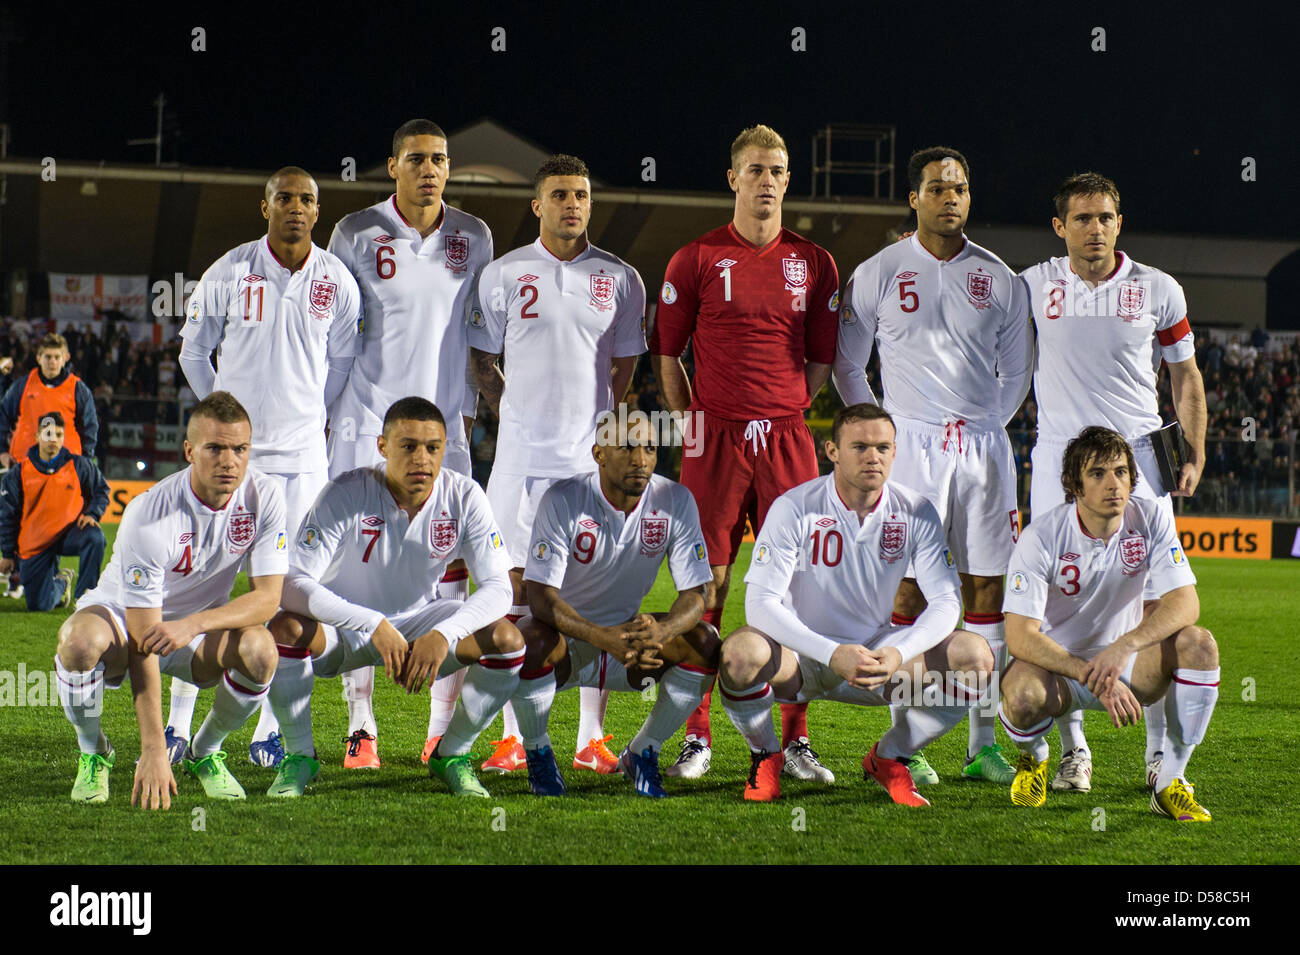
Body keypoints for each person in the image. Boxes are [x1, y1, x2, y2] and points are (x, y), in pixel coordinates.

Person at [832, 146, 1033, 786]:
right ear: (913, 198)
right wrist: (879, 432)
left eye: (962, 188)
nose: (951, 197)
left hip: (982, 443)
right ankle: (905, 740)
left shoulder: (1000, 277)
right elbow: (846, 362)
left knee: (986, 589)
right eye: (938, 188)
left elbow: (1019, 371)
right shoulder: (881, 270)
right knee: (910, 589)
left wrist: (981, 426)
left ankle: (981, 745)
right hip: (909, 444)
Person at [650, 124, 839, 782]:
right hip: (715, 436)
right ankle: (695, 735)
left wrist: (782, 408)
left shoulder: (814, 263)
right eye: (755, 169)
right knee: (708, 587)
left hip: (787, 436)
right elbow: (667, 353)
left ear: (789, 181)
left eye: (777, 170)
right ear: (733, 178)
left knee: (800, 590)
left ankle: (795, 740)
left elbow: (820, 359)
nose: (766, 180)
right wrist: (693, 423)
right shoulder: (695, 258)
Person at [1022, 172, 1207, 793]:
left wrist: (1194, 447)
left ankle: (1158, 751)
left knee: (1157, 606)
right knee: (1051, 608)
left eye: (1105, 217)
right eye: (1081, 219)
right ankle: (1073, 747)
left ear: (1119, 222)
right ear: (1060, 227)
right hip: (1059, 469)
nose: (1094, 229)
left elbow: (1186, 376)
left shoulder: (1158, 289)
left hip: (1140, 467)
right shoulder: (1034, 285)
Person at [176, 165, 362, 769]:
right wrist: (224, 424)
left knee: (286, 602)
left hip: (305, 460)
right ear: (266, 208)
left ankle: (265, 734)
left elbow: (339, 368)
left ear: (318, 210)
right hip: (236, 463)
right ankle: (179, 726)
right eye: (285, 198)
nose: (297, 208)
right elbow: (193, 350)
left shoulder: (336, 278)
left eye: (308, 200)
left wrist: (310, 416)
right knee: (201, 585)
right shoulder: (228, 271)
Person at [470, 154, 648, 776]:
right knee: (514, 595)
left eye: (582, 194)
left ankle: (591, 738)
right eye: (560, 195)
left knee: (592, 597)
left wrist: (598, 420)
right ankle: (514, 737)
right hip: (519, 465)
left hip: (586, 467)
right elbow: (481, 360)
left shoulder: (622, 278)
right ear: (536, 205)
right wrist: (512, 411)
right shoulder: (501, 273)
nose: (573, 204)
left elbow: (625, 366)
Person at [717, 403, 991, 803]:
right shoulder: (795, 507)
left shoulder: (915, 511)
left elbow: (947, 603)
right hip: (799, 660)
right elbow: (760, 604)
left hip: (877, 659)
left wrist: (898, 652)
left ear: (895, 453)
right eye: (859, 446)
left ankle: (891, 756)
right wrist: (831, 653)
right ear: (832, 451)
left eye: (882, 447)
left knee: (977, 659)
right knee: (740, 653)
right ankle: (766, 755)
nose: (872, 457)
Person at [326, 119, 493, 770]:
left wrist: (492, 411)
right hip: (366, 430)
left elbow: (480, 341)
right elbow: (332, 332)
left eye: (441, 160)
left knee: (451, 577)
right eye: (417, 159)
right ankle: (361, 726)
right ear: (391, 166)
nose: (430, 169)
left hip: (444, 435)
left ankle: (440, 729)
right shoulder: (355, 233)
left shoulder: (472, 237)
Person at [264, 397, 523, 798]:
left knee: (506, 642)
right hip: (345, 628)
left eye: (433, 447)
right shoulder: (347, 491)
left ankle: (451, 754)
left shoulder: (464, 496)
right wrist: (370, 623)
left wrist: (443, 634)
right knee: (284, 629)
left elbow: (499, 588)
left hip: (420, 623)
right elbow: (292, 583)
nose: (422, 458)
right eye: (408, 446)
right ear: (383, 446)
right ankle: (300, 756)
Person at [53, 392, 287, 806]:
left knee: (261, 652)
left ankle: (205, 750)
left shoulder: (264, 497)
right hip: (124, 621)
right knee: (78, 641)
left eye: (240, 449)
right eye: (215, 448)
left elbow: (268, 599)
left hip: (191, 631)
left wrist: (194, 624)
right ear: (189, 451)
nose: (229, 460)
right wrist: (153, 748)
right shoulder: (150, 512)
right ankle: (94, 751)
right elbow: (146, 639)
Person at [1001, 427, 1216, 821]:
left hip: (1128, 668)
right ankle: (1035, 758)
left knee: (1199, 645)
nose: (1113, 484)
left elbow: (1185, 602)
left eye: (1121, 472)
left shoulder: (1148, 517)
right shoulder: (1041, 537)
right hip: (1061, 671)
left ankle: (1171, 780)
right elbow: (1018, 636)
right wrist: (1089, 672)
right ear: (1074, 485)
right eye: (1097, 473)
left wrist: (1122, 648)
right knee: (1020, 696)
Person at [510, 409, 716, 797]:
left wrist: (663, 632)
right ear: (598, 454)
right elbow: (539, 596)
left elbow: (697, 592)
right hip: (565, 644)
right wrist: (602, 637)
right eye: (627, 447)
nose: (641, 460)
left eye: (651, 448)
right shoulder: (564, 497)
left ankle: (643, 751)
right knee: (527, 642)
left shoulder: (674, 499)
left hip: (632, 648)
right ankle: (538, 751)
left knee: (704, 643)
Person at [1, 333, 99, 600]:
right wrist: (2, 449)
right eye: (48, 357)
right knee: (20, 523)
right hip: (24, 466)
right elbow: (3, 414)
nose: (53, 361)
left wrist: (86, 461)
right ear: (38, 358)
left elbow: (89, 426)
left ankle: (59, 583)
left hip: (64, 469)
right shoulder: (23, 386)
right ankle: (18, 577)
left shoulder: (77, 388)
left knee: (56, 523)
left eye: (57, 357)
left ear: (65, 358)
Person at [0, 412, 108, 611]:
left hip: (69, 534)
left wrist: (93, 513)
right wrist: (7, 554)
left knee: (95, 537)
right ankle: (62, 583)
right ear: (37, 436)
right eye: (48, 434)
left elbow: (101, 491)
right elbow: (7, 516)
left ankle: (86, 598)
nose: (53, 439)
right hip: (35, 543)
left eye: (58, 435)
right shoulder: (18, 473)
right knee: (38, 605)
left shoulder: (79, 465)